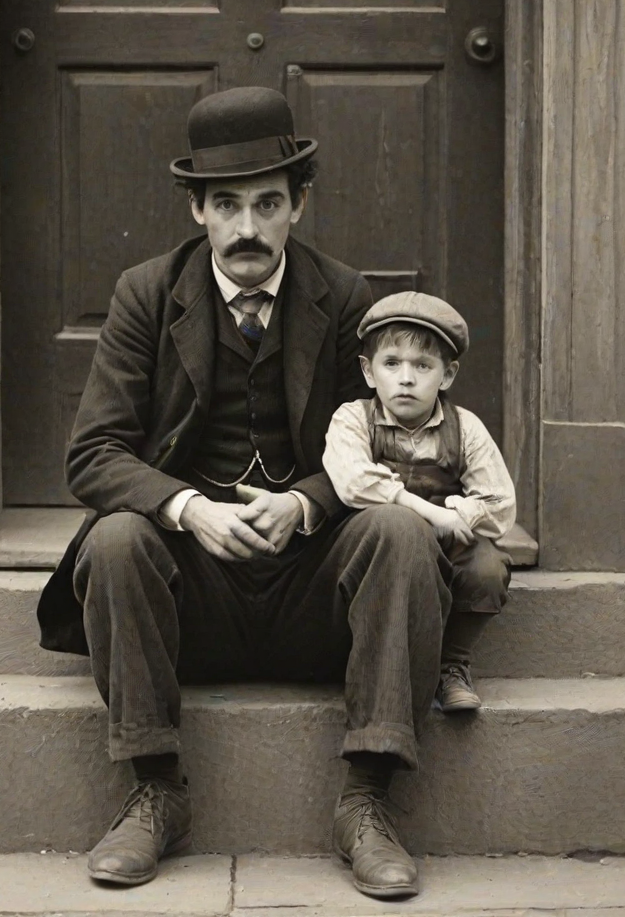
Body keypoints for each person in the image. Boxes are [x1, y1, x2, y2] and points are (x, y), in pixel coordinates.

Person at [36, 87, 453, 900]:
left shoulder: (347, 302)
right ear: (198, 210)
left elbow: (386, 451)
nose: (249, 228)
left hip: (313, 586)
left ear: (300, 203)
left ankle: (368, 802)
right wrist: (186, 508)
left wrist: (306, 503)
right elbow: (91, 454)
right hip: (194, 590)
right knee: (117, 538)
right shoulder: (146, 296)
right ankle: (156, 789)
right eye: (227, 205)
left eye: (268, 204)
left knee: (401, 535)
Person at [323, 292, 517, 712]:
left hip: (443, 547)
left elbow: (500, 503)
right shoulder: (352, 418)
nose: (406, 379)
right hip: (381, 553)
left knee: (487, 565)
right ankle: (368, 658)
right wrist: (429, 513)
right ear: (368, 371)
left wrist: (457, 515)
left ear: (446, 376)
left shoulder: (464, 427)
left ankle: (452, 664)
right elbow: (353, 480)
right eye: (391, 363)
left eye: (423, 366)